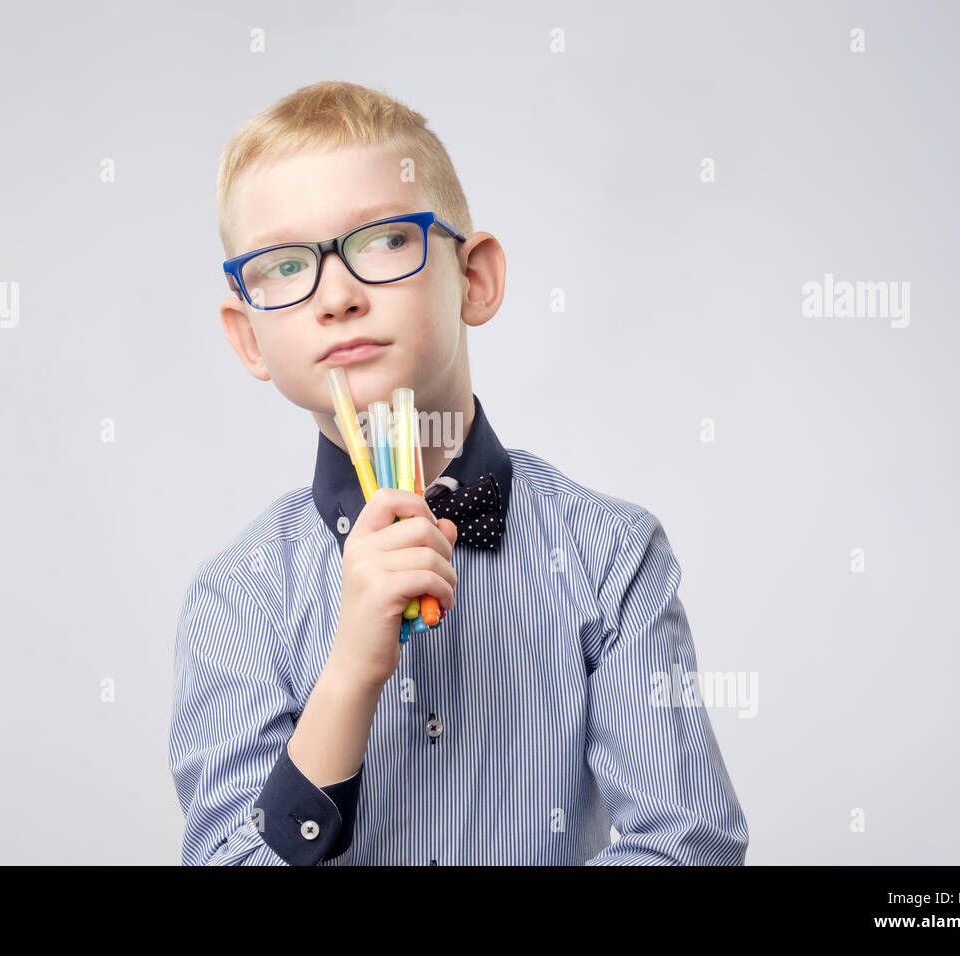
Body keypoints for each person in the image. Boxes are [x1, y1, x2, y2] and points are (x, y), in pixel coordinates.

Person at [169, 80, 749, 865]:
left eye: (380, 242)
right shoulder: (236, 600)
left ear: (474, 279)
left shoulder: (613, 555)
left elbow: (690, 847)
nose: (335, 295)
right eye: (283, 265)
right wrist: (347, 679)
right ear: (248, 338)